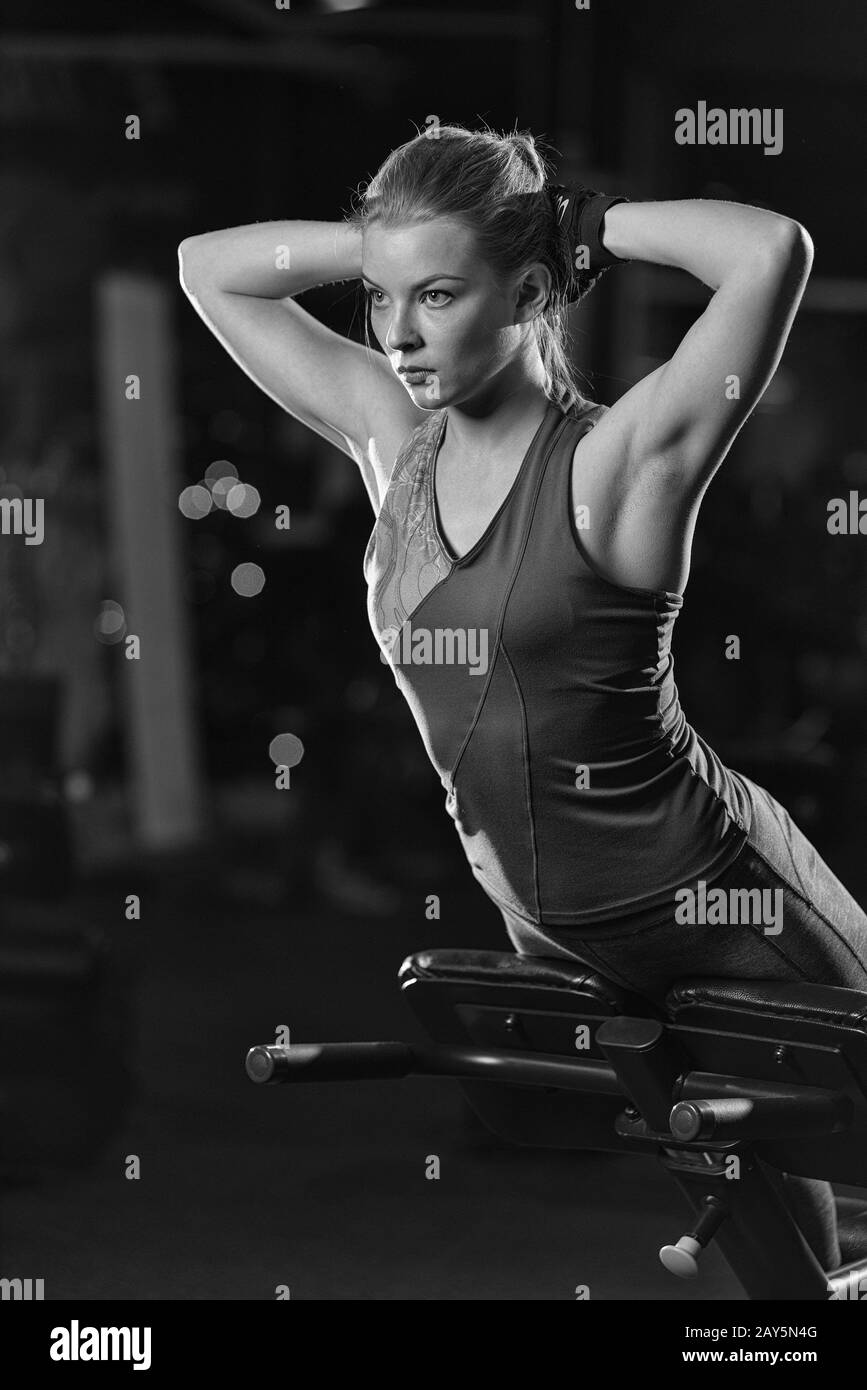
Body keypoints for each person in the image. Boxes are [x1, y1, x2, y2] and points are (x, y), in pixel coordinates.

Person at [178, 123, 867, 1278]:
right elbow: (208, 266)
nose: (397, 334)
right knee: (757, 1216)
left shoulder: (615, 468)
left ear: (535, 289)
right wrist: (396, 243)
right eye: (380, 298)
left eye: (439, 296)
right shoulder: (395, 450)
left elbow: (767, 254)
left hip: (726, 904)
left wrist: (581, 221)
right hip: (564, 941)